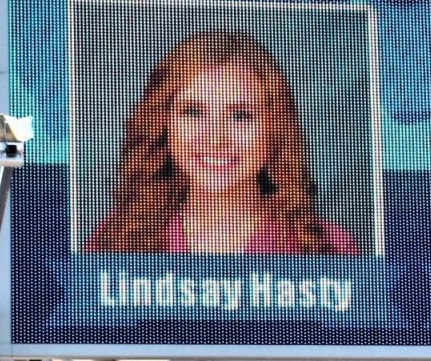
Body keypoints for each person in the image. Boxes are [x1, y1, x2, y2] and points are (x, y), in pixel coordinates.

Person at [87, 30, 359, 255]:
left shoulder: (329, 248)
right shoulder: (116, 240)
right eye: (193, 112)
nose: (215, 139)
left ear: (274, 129)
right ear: (163, 125)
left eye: (241, 116)